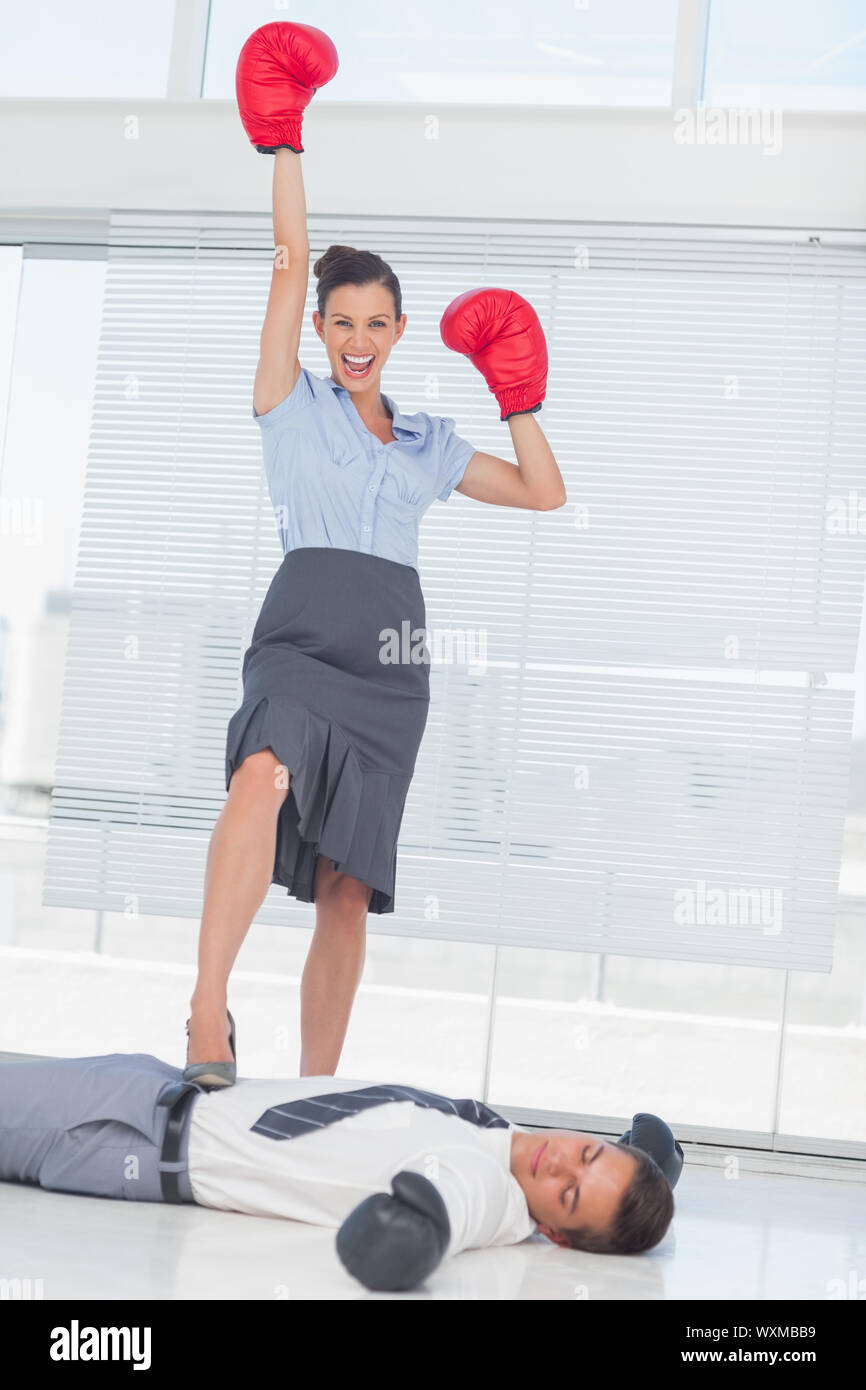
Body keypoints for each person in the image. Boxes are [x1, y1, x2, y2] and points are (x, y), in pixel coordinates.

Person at [185, 22, 567, 1087]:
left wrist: (517, 396)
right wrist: (285, 140)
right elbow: (290, 255)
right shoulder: (286, 406)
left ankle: (314, 1091)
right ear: (317, 328)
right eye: (340, 320)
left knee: (349, 885)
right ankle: (207, 1014)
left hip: (391, 668)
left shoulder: (427, 444)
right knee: (259, 777)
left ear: (399, 331)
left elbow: (543, 491)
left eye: (377, 322)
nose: (357, 337)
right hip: (302, 635)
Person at [0, 1051, 681, 1292]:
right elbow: (634, 1157)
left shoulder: (488, 1188)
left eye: (567, 1195)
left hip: (127, 1135)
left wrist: (412, 1233)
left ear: (556, 1235)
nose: (558, 1160)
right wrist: (655, 1163)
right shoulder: (501, 1136)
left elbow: (435, 1212)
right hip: (165, 1086)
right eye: (588, 1152)